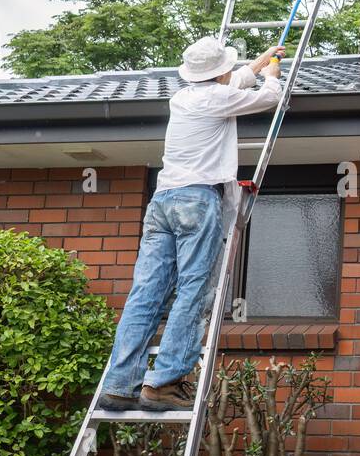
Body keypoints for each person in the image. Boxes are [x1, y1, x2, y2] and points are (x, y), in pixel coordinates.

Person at [97, 36, 284, 411]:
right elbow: (269, 97)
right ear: (219, 72)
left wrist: (262, 59)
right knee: (193, 289)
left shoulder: (181, 97)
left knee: (146, 293)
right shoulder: (217, 98)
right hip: (197, 201)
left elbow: (235, 81)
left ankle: (119, 384)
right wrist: (275, 73)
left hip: (162, 201)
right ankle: (163, 383)